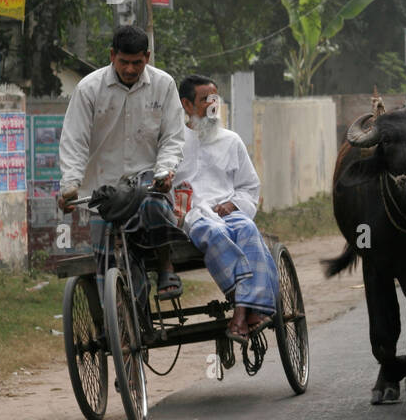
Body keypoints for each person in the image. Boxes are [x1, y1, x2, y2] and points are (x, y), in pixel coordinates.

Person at [57, 25, 186, 300]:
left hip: (147, 184)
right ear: (112, 55)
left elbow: (172, 137)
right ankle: (116, 327)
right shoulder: (89, 89)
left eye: (137, 63)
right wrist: (70, 185)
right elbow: (74, 140)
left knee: (155, 206)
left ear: (147, 57)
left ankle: (165, 267)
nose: (130, 69)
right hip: (102, 192)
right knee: (106, 264)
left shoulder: (164, 85)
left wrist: (165, 171)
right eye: (124, 62)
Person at [175, 75, 278, 342]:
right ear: (186, 104)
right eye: (204, 100)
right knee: (214, 233)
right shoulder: (172, 142)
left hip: (229, 212)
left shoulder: (231, 141)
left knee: (247, 228)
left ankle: (240, 312)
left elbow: (249, 187)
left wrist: (233, 204)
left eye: (215, 100)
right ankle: (245, 310)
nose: (212, 106)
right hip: (193, 216)